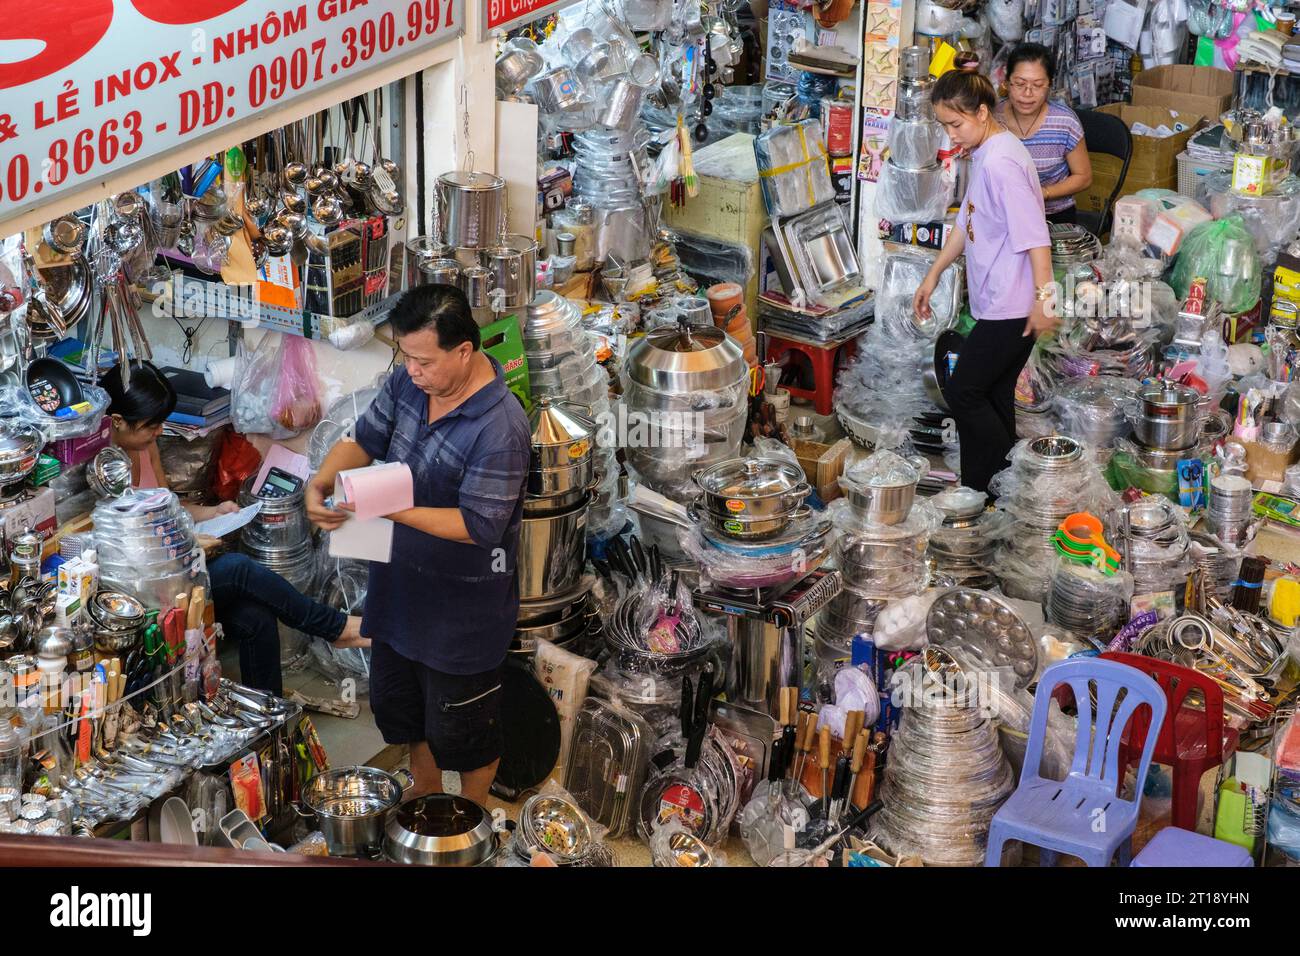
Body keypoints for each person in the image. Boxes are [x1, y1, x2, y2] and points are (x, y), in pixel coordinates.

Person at [306, 285, 530, 805]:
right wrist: (320, 482)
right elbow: (365, 438)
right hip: (400, 592)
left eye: (424, 360)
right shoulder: (411, 384)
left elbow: (479, 526)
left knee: (465, 730)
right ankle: (427, 800)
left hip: (463, 611)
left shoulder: (500, 427)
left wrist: (387, 508)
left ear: (465, 351)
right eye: (405, 356)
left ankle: (470, 815)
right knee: (406, 713)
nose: (413, 370)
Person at [101, 360, 368, 696]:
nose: (158, 433)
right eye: (151, 425)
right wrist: (189, 543)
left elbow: (171, 508)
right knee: (239, 568)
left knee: (256, 617)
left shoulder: (146, 447)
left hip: (182, 570)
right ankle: (333, 627)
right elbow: (121, 550)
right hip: (146, 589)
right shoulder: (103, 470)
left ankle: (266, 714)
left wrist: (214, 511)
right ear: (117, 422)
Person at [913, 65, 1057, 497]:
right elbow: (965, 222)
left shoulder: (1002, 163)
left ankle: (1014, 470)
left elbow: (1036, 236)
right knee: (992, 397)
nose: (950, 135)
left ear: (980, 113)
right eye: (944, 125)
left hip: (1013, 307)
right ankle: (985, 494)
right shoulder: (988, 153)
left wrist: (1045, 300)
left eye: (955, 124)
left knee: (963, 392)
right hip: (996, 301)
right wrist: (934, 273)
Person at [995, 43, 1092, 225]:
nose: (1027, 94)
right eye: (1020, 84)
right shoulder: (993, 118)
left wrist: (1042, 193)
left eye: (1038, 85)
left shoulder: (1064, 122)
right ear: (1007, 82)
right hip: (1002, 213)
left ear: (1049, 85)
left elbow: (1084, 177)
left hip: (1053, 217)